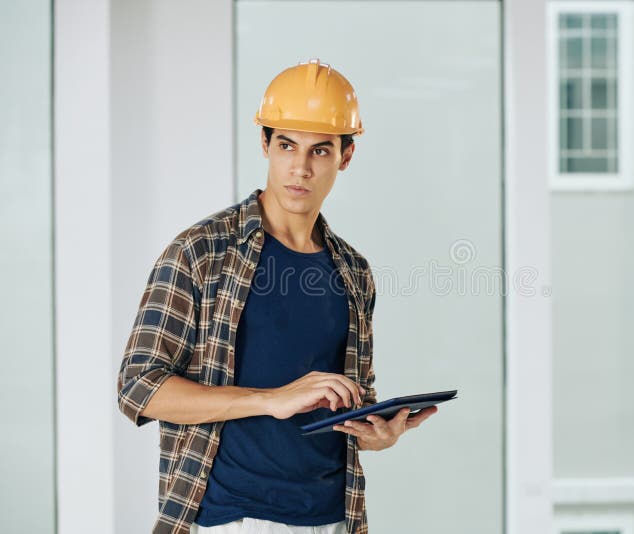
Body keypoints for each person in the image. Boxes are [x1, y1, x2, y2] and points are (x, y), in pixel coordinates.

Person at [116, 58, 437, 534]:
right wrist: (271, 400)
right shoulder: (202, 251)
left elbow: (348, 406)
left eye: (321, 151)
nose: (300, 168)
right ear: (265, 143)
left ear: (346, 157)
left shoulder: (353, 272)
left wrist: (375, 433)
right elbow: (138, 387)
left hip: (332, 517)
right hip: (233, 518)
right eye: (287, 145)